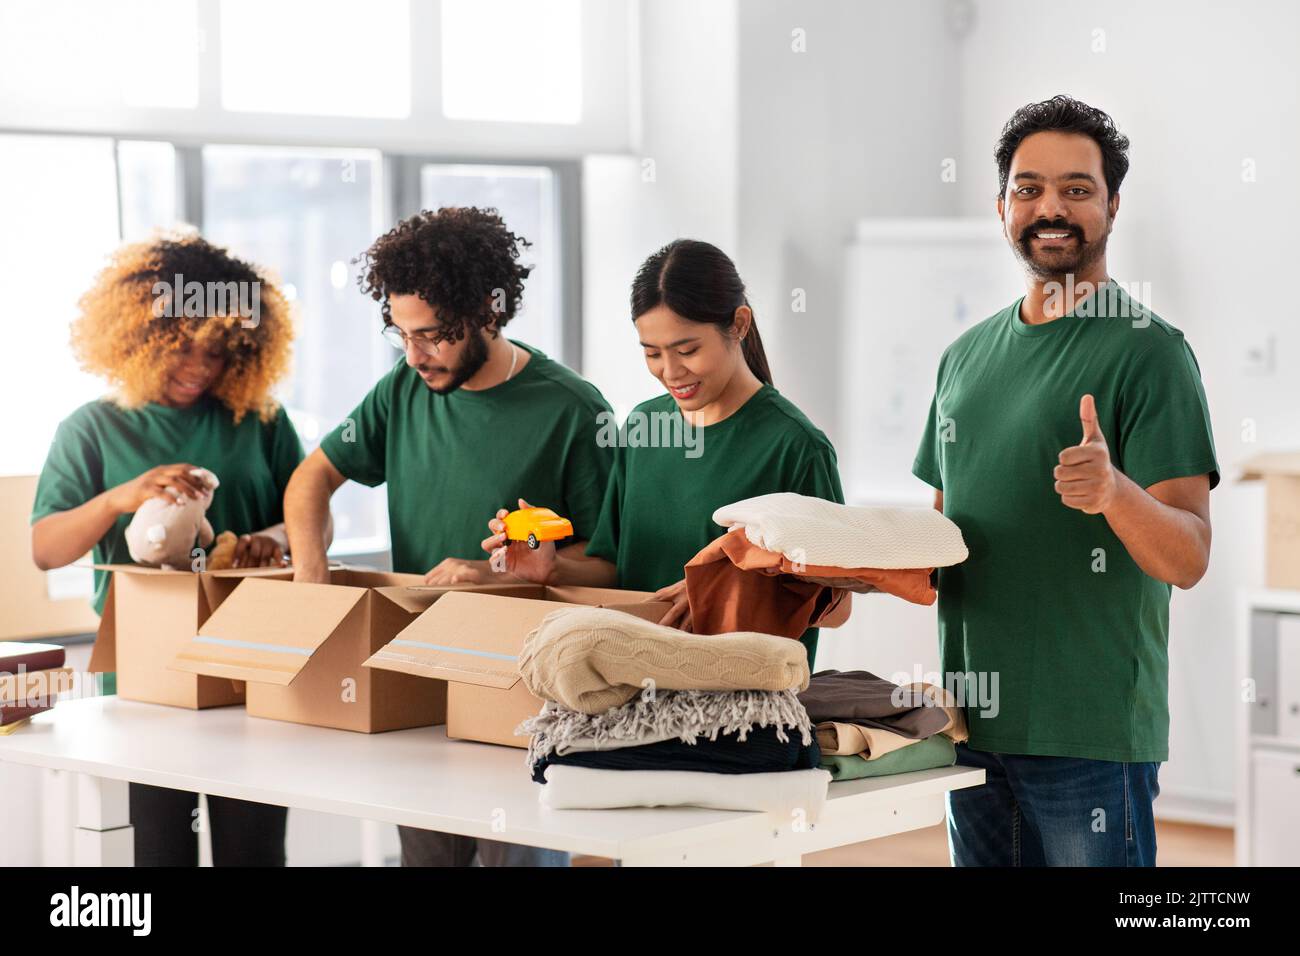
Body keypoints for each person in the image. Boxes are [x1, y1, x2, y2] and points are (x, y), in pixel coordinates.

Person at [912, 95, 1218, 867]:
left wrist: (1117, 493)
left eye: (1077, 189)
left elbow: (1187, 557)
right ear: (1002, 205)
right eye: (1030, 188)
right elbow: (939, 547)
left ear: (1113, 204)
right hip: (972, 724)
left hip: (1089, 733)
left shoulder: (1151, 354)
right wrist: (826, 564)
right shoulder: (963, 359)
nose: (1051, 208)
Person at [283, 207, 611, 867]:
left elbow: (611, 569)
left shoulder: (574, 410)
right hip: (423, 689)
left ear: (486, 315)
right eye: (401, 334)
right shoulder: (402, 390)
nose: (414, 354)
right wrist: (311, 582)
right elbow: (309, 481)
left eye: (432, 335)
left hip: (527, 706)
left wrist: (505, 576)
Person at [30, 232, 309, 866]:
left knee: (256, 853)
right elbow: (46, 549)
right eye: (182, 347)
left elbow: (307, 525)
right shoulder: (90, 429)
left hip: (250, 672)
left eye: (218, 352)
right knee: (160, 854)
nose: (199, 368)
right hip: (143, 683)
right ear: (139, 339)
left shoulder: (260, 422)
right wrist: (118, 498)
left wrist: (268, 542)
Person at [485, 238, 843, 665]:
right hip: (633, 687)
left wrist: (727, 589)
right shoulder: (642, 427)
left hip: (744, 704)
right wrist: (550, 567)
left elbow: (837, 607)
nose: (670, 372)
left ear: (740, 324)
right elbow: (612, 565)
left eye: (688, 350)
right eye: (652, 353)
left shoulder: (796, 446)